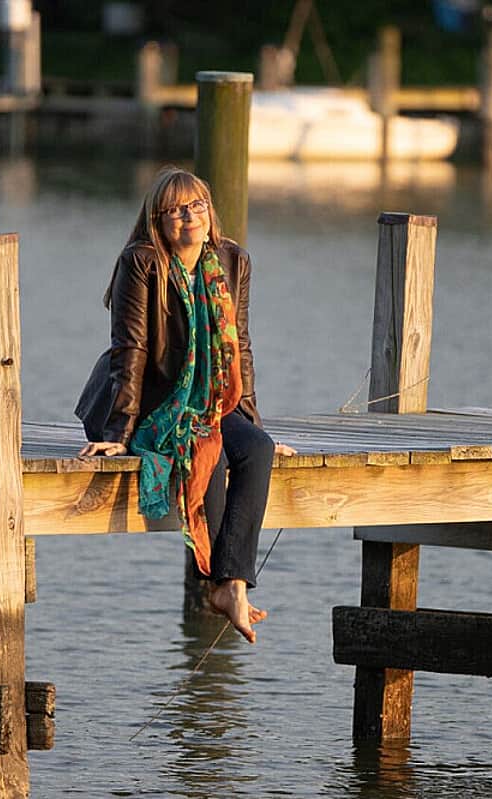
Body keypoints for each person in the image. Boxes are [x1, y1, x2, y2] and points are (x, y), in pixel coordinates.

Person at [75, 166, 294, 644]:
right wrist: (117, 435)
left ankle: (232, 584)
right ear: (157, 219)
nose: (187, 216)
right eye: (174, 209)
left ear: (209, 211)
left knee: (257, 450)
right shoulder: (142, 261)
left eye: (196, 205)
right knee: (205, 455)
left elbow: (241, 346)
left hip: (211, 394)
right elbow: (129, 349)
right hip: (151, 395)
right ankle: (224, 584)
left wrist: (252, 420)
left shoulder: (232, 260)